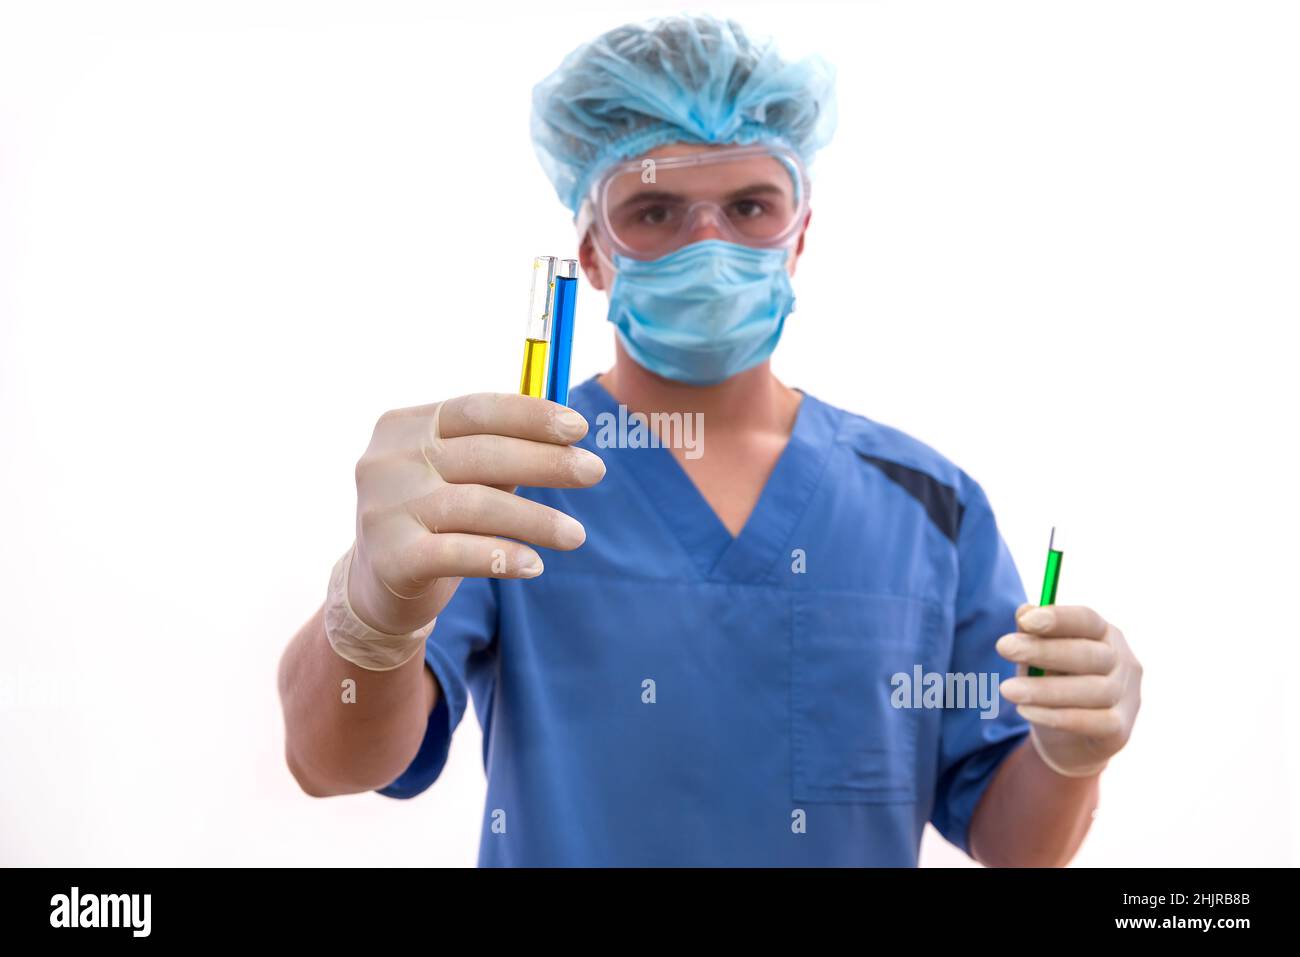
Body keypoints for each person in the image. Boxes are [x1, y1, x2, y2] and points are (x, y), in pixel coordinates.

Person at [277, 14, 1142, 866]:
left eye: (749, 205)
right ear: (592, 252)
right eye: (653, 210)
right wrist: (367, 618)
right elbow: (330, 762)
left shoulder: (929, 505)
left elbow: (1016, 844)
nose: (709, 245)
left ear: (799, 232)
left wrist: (1073, 756)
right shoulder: (505, 481)